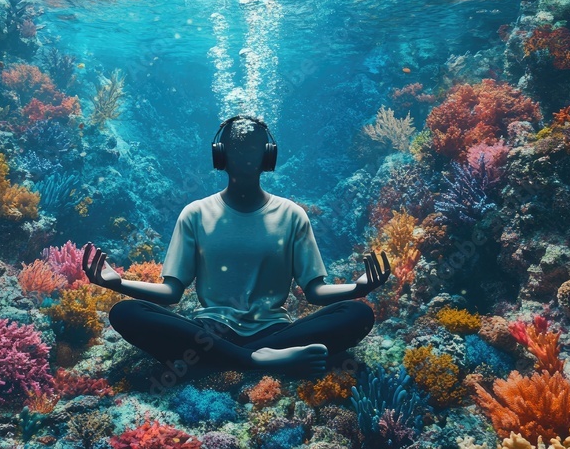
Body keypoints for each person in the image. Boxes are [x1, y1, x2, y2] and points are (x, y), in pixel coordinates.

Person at [82, 115, 391, 384]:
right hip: (210, 333)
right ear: (221, 155)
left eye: (253, 149)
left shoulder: (291, 215)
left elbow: (314, 292)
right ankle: (258, 361)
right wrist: (118, 285)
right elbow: (172, 293)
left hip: (276, 332)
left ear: (268, 156)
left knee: (357, 313)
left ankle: (225, 361)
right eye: (237, 149)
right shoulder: (195, 214)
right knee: (125, 311)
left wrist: (357, 288)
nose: (245, 156)